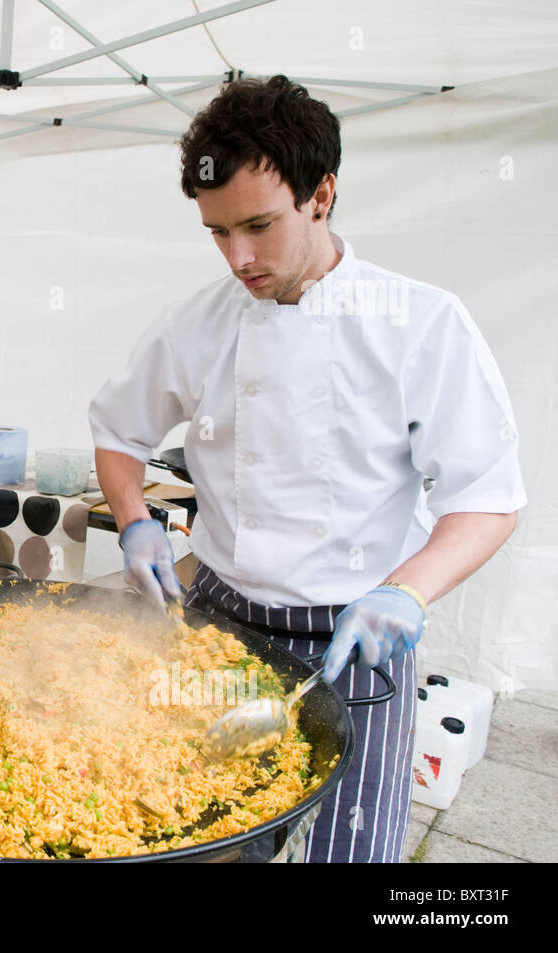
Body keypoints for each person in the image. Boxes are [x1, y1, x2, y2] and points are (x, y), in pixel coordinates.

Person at [89, 75, 524, 862]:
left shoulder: (420, 324)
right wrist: (135, 523)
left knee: (353, 851)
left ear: (321, 195)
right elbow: (117, 432)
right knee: (202, 835)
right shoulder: (195, 324)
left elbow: (488, 498)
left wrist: (407, 590)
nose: (239, 257)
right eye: (218, 233)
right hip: (217, 623)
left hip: (355, 638)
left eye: (258, 225)